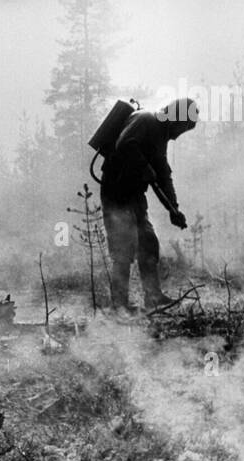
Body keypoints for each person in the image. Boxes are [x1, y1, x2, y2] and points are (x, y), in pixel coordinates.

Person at [100, 98, 198, 312]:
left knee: (148, 243)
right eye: (182, 127)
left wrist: (174, 208)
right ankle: (119, 305)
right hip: (116, 191)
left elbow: (163, 175)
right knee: (122, 248)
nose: (179, 134)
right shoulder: (145, 119)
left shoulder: (160, 136)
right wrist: (144, 167)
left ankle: (152, 296)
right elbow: (124, 144)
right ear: (175, 116)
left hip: (135, 195)